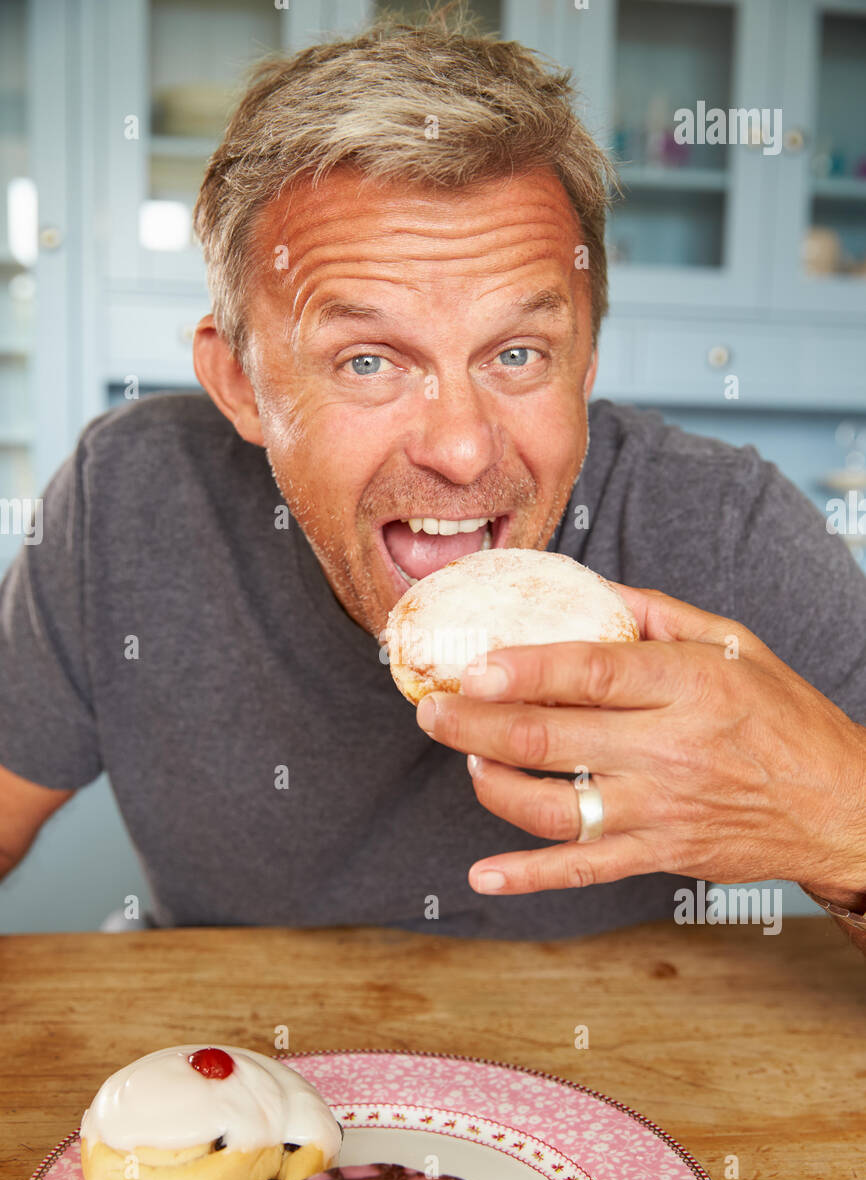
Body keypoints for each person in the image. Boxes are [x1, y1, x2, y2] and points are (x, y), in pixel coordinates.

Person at [1, 13, 865, 944]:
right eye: (368, 361)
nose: (460, 449)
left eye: (519, 352)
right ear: (239, 384)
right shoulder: (128, 498)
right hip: (235, 1067)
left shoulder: (725, 529)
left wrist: (842, 821)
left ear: (587, 364)